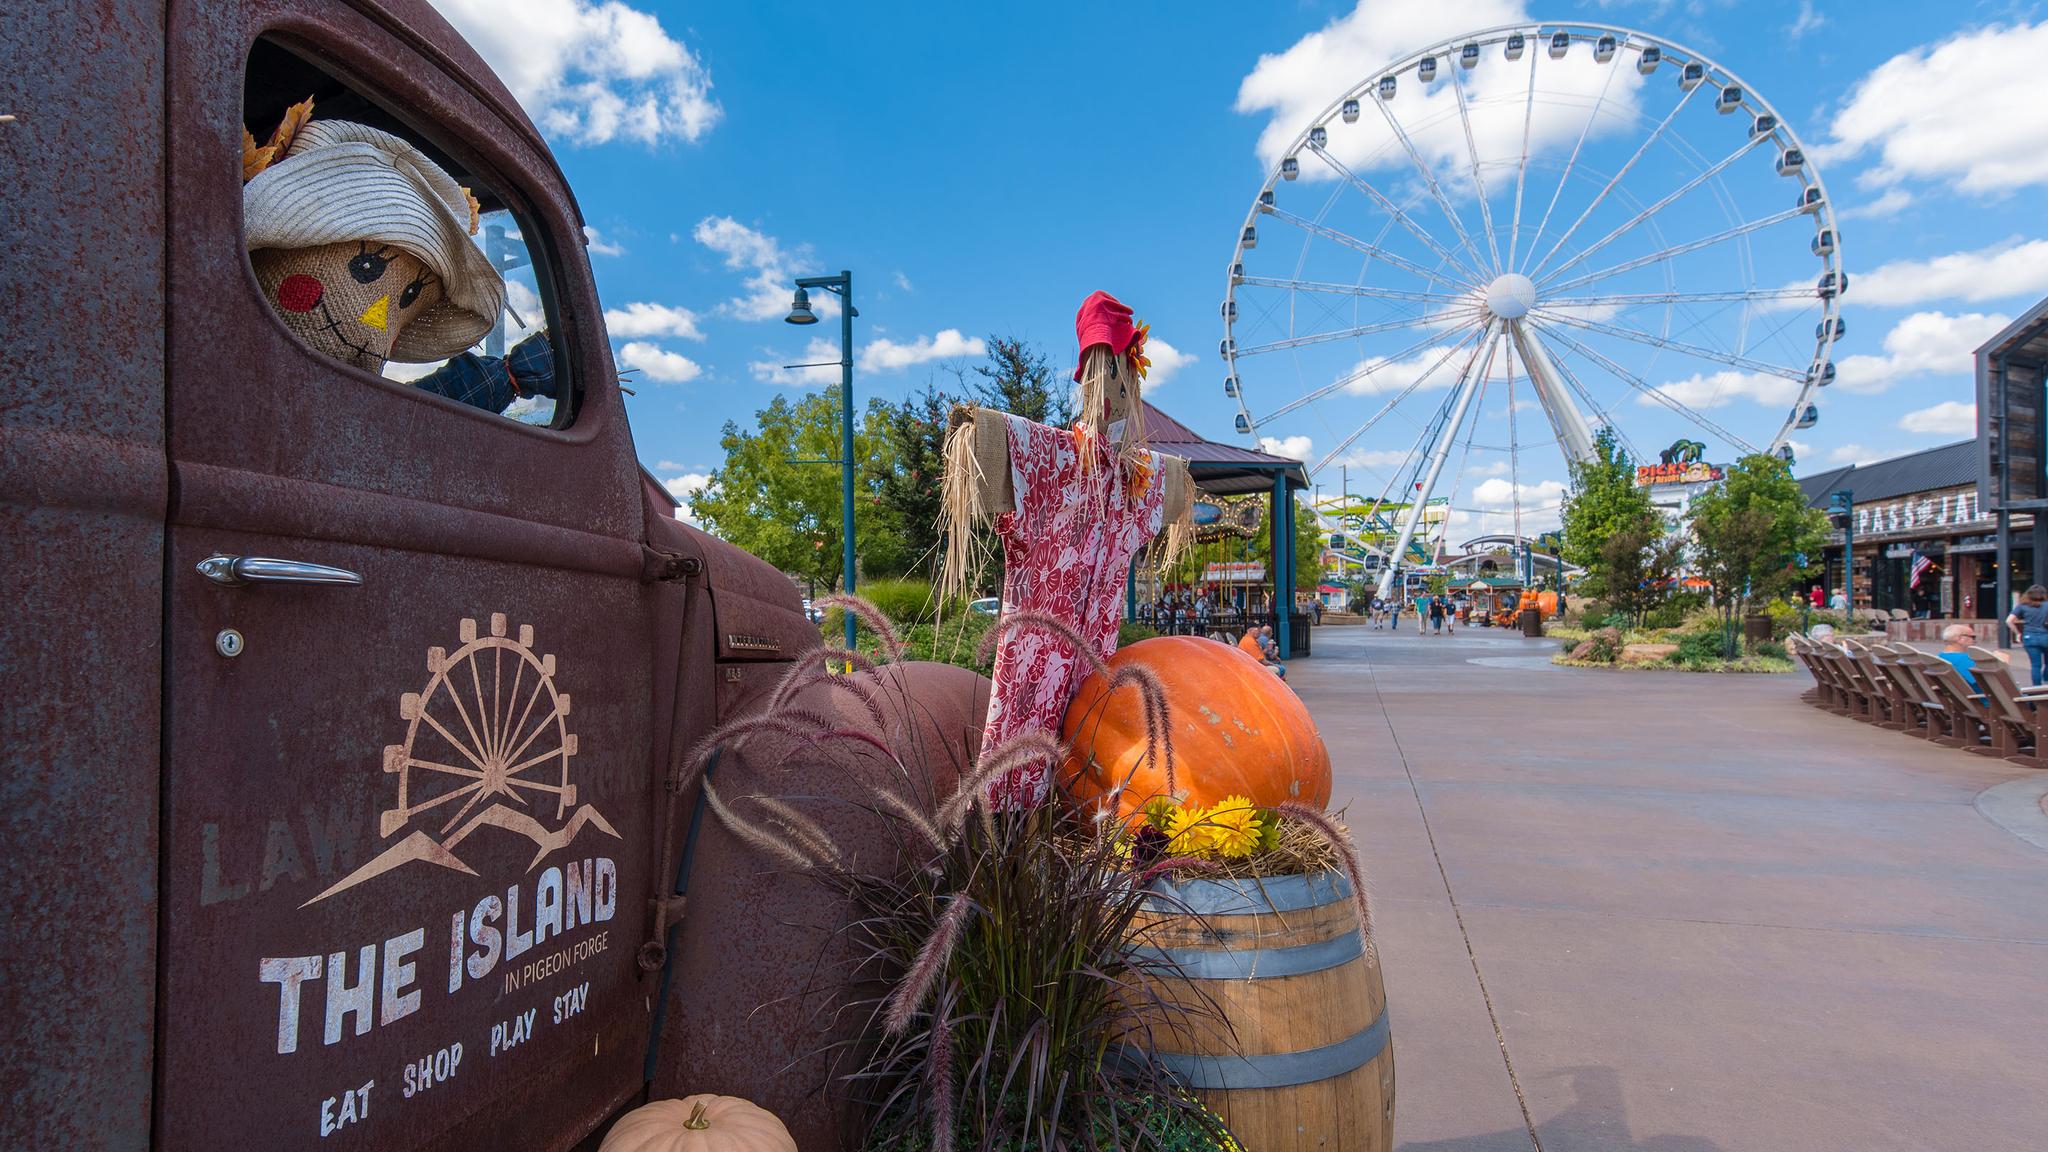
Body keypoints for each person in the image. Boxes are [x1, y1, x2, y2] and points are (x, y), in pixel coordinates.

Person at [2006, 585, 2048, 686]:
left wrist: (2018, 633)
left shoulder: (2022, 606)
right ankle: (2046, 679)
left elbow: (2008, 621)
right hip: (2045, 636)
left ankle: (2037, 688)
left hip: (2029, 637)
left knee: (2035, 665)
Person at [1936, 624, 1981, 689]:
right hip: (1981, 697)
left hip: (1956, 697)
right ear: (1960, 639)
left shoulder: (1940, 657)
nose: (1975, 641)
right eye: (1973, 637)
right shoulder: (1963, 659)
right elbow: (1986, 680)